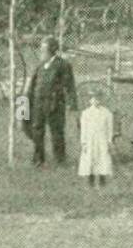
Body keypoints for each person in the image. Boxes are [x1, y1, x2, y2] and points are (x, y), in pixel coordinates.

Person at [26, 36, 75, 166]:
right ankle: (38, 159)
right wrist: (25, 102)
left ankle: (60, 160)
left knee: (57, 131)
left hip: (55, 104)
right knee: (37, 130)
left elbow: (70, 85)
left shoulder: (62, 65)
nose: (41, 53)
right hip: (38, 103)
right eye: (40, 50)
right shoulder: (40, 65)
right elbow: (32, 85)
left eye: (43, 50)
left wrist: (72, 103)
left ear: (52, 51)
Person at [78, 87, 114, 187]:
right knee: (90, 159)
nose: (95, 101)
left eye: (98, 98)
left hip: (102, 139)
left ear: (102, 99)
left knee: (102, 158)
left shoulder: (107, 113)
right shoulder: (86, 113)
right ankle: (91, 180)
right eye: (93, 98)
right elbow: (84, 129)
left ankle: (102, 180)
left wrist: (109, 141)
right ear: (90, 100)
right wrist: (83, 142)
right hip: (90, 140)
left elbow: (110, 128)